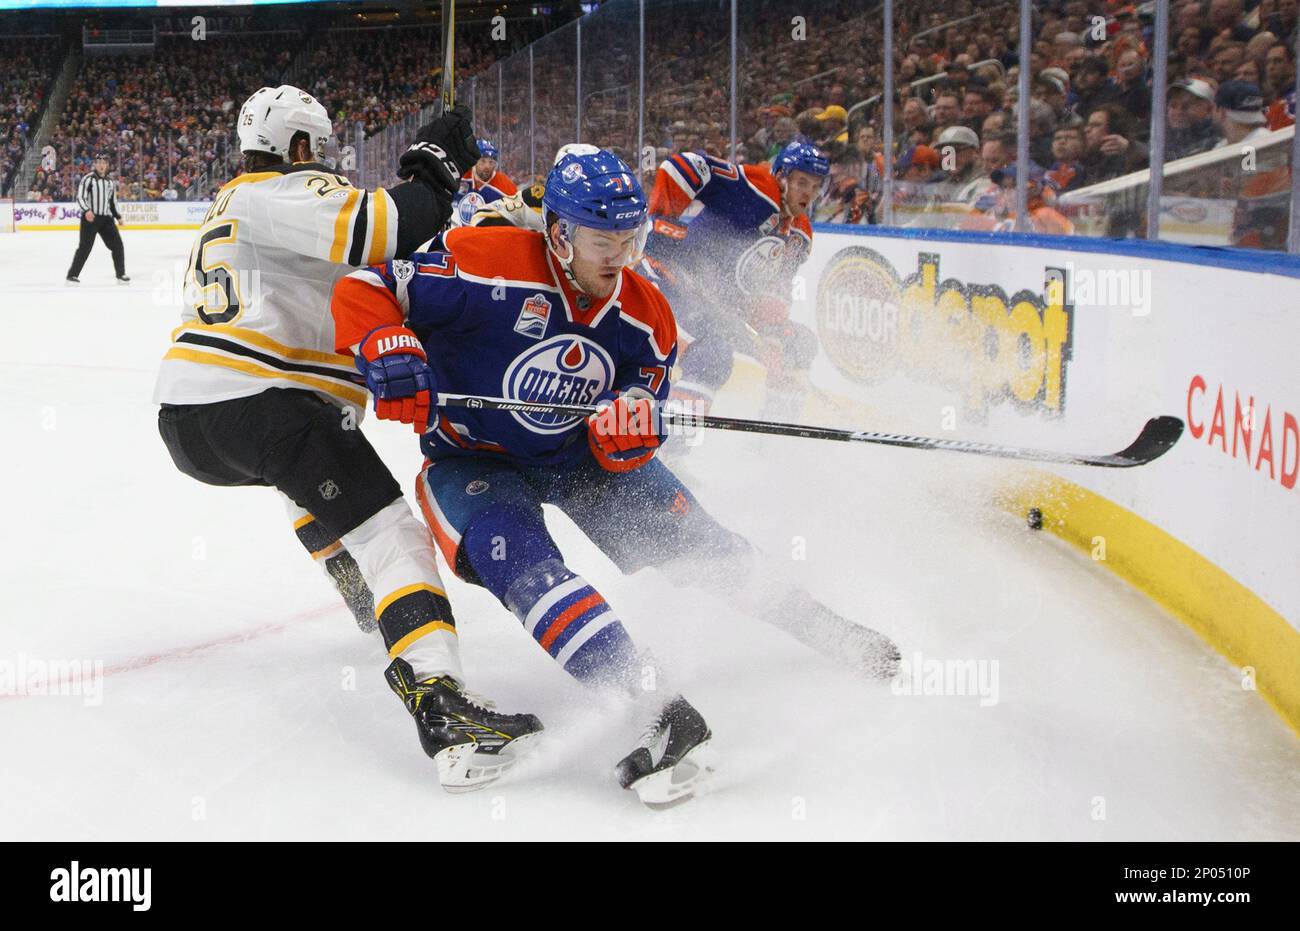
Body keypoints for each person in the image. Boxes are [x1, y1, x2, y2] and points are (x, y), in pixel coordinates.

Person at [330, 149, 899, 804]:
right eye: (603, 239)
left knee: (703, 546)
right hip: (472, 458)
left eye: (629, 239)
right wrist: (385, 344)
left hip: (580, 458)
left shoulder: (646, 313)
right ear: (560, 233)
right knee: (526, 566)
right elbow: (365, 287)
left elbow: (647, 395)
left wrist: (635, 427)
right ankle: (656, 703)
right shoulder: (481, 262)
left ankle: (822, 625)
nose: (618, 256)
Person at [152, 85, 542, 792]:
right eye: (318, 149)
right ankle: (445, 710)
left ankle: (353, 582)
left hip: (191, 420)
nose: (326, 163)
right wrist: (434, 161)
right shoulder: (283, 189)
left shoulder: (236, 200)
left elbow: (377, 254)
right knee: (395, 535)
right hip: (256, 399)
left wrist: (473, 205)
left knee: (303, 473)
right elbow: (388, 224)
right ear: (298, 148)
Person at [640, 140, 829, 425]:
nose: (808, 193)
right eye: (802, 182)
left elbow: (776, 289)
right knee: (711, 356)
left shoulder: (800, 234)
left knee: (798, 345)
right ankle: (672, 451)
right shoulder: (756, 190)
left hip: (720, 311)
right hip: (670, 285)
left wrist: (772, 336)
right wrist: (662, 226)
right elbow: (685, 166)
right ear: (781, 177)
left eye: (815, 187)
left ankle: (772, 438)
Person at [66, 154, 127, 284]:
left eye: (104, 162)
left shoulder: (110, 181)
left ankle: (121, 275)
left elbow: (112, 202)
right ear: (95, 164)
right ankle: (72, 276)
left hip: (106, 219)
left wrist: (118, 216)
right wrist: (86, 210)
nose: (101, 165)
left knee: (118, 246)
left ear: (107, 165)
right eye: (99, 162)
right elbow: (80, 197)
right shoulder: (88, 179)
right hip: (90, 219)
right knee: (85, 247)